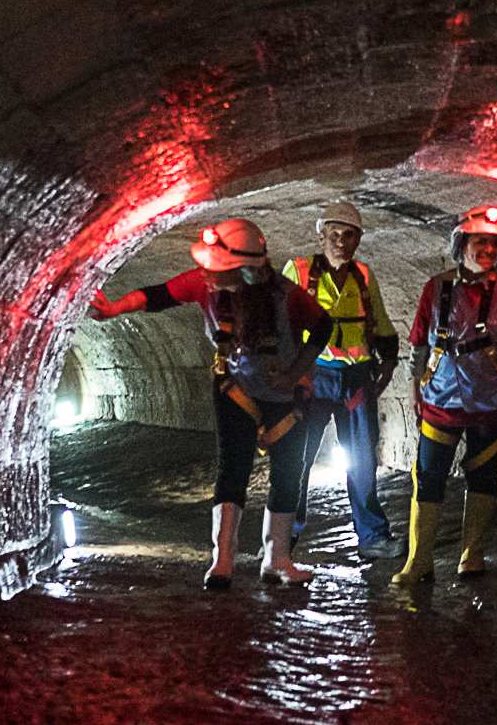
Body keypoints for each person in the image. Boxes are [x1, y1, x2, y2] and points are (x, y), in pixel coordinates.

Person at [89, 217, 330, 589]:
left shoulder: (284, 295)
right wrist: (114, 309)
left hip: (285, 398)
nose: (209, 274)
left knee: (288, 473)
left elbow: (323, 326)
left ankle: (278, 559)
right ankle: (222, 560)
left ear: (248, 271)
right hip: (237, 391)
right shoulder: (204, 285)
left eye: (220, 269)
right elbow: (158, 295)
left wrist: (296, 371)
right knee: (233, 468)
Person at [393, 203, 497, 585]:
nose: (488, 251)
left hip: (491, 402)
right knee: (428, 476)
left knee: (483, 475)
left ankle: (471, 555)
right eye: (480, 243)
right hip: (441, 400)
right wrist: (414, 391)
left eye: (493, 244)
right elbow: (418, 345)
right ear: (461, 245)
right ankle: (419, 560)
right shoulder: (436, 287)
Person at [285, 200, 404, 561]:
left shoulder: (363, 276)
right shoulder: (299, 271)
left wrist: (389, 358)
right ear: (321, 236)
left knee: (362, 459)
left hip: (355, 377)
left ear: (357, 240)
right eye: (334, 234)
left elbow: (379, 321)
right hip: (313, 375)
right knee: (298, 458)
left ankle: (372, 538)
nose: (340, 241)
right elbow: (283, 323)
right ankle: (283, 538)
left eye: (348, 235)